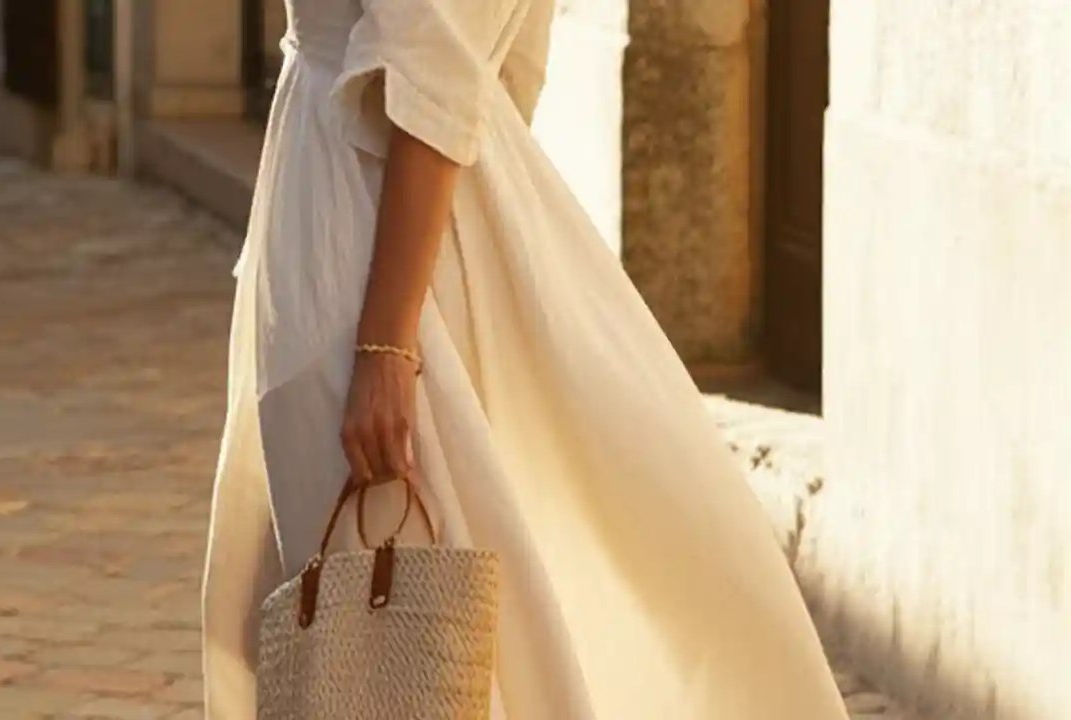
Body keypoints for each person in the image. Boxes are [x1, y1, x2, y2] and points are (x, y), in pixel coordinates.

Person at [201, 0, 849, 717]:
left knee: (385, 624)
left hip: (369, 242)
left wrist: (386, 342)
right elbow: (513, 67)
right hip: (341, 215)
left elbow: (434, 73)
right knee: (349, 617)